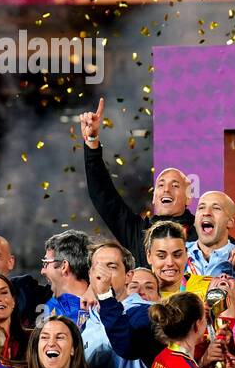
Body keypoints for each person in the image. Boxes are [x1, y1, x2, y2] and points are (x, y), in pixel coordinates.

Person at [79, 98, 199, 266]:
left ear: (189, 198)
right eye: (161, 185)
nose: (166, 190)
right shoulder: (138, 233)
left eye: (175, 185)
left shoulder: (203, 233)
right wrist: (92, 142)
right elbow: (104, 196)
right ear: (154, 197)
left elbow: (230, 247)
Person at [39, 230, 92, 322]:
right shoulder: (53, 305)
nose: (42, 271)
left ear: (64, 266)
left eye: (46, 263)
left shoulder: (98, 312)